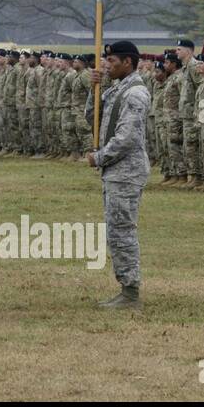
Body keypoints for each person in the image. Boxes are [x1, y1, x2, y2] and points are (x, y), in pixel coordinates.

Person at [86, 40, 151, 310]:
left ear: (128, 62)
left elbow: (127, 138)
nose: (107, 65)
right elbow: (93, 118)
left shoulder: (135, 93)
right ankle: (126, 286)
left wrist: (99, 157)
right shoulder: (116, 90)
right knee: (115, 230)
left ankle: (130, 290)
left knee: (121, 231)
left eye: (112, 62)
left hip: (126, 171)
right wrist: (94, 89)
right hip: (115, 171)